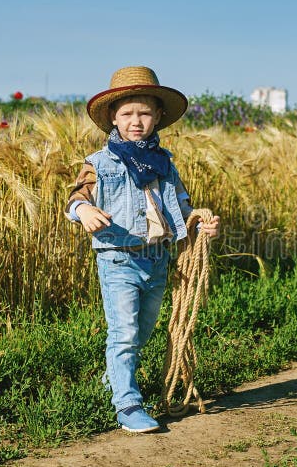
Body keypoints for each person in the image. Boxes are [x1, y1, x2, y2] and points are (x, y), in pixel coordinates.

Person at [66, 66, 220, 433]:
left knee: (143, 331)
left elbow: (181, 208)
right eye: (127, 114)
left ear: (158, 117)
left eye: (145, 113)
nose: (136, 121)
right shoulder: (98, 163)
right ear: (113, 119)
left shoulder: (164, 163)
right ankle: (128, 404)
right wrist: (84, 210)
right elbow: (76, 197)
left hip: (157, 259)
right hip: (118, 258)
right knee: (123, 332)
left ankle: (115, 378)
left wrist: (200, 224)